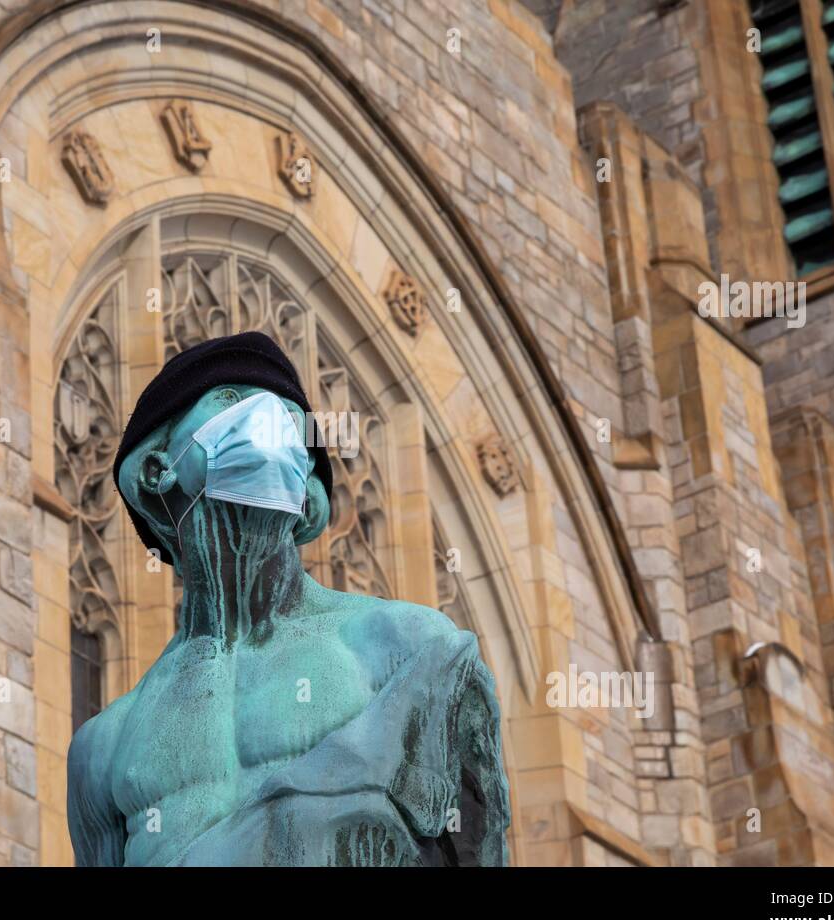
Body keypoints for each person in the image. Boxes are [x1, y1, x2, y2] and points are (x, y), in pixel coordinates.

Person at [67, 331, 510, 865]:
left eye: (286, 416)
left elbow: (476, 850)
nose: (265, 418)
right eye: (230, 401)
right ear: (157, 471)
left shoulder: (409, 649)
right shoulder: (104, 747)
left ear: (307, 491)